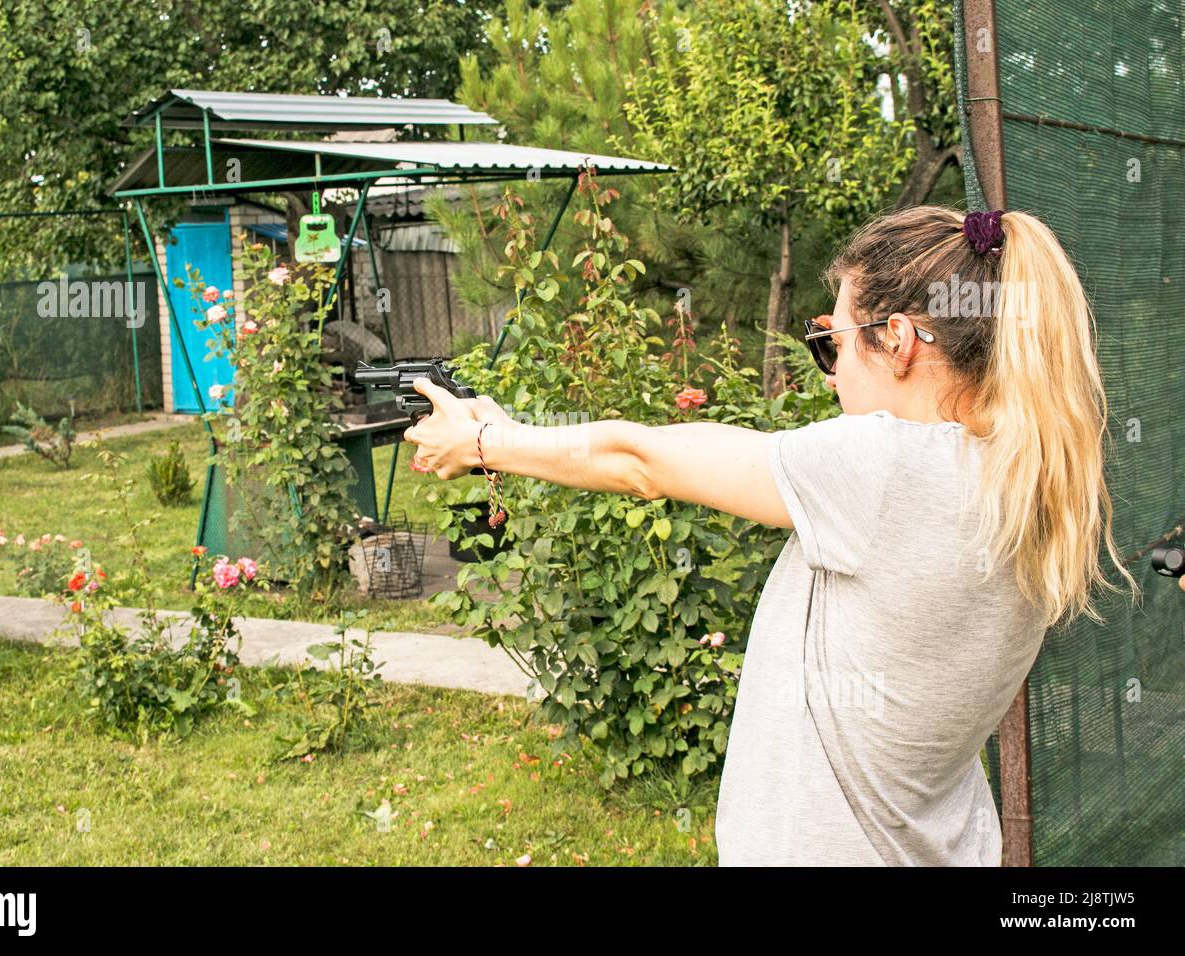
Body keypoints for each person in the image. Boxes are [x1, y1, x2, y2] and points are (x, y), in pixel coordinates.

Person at [402, 205, 1141, 866]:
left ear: (900, 342)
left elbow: (640, 462)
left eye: (833, 345)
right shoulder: (1034, 479)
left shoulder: (886, 469)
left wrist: (484, 442)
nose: (828, 376)